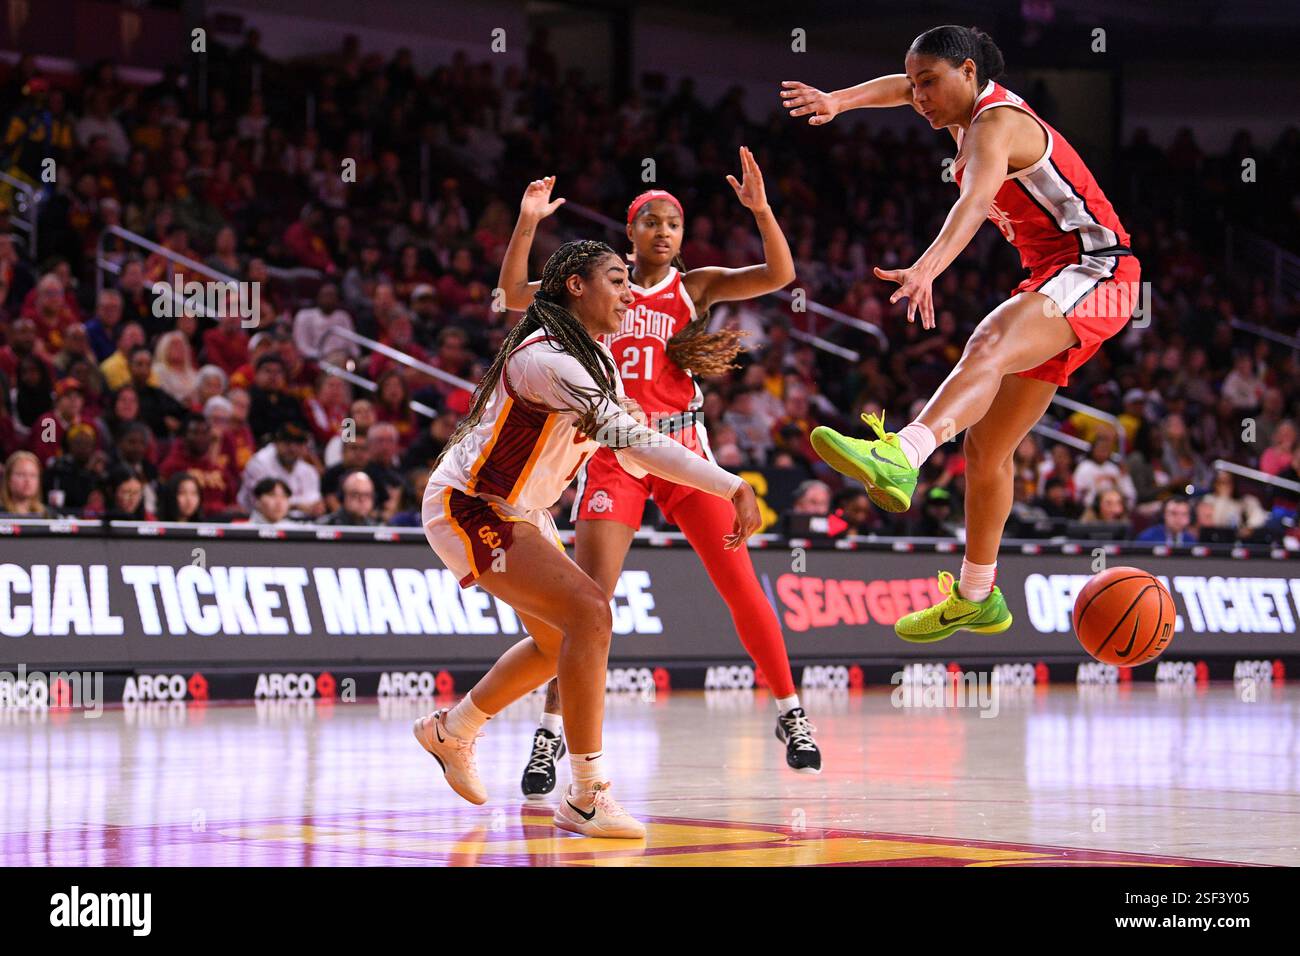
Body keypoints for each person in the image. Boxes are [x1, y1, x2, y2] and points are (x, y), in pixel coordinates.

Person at [784, 25, 1140, 642]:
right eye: (916, 82)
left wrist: (925, 268)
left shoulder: (994, 124)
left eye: (930, 82)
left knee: (988, 344)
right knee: (986, 452)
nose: (918, 96)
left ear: (969, 72)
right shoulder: (951, 106)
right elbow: (897, 86)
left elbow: (974, 201)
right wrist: (839, 100)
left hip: (1098, 268)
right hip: (1055, 272)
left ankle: (904, 452)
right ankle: (977, 596)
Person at [415, 240, 759, 839]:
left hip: (524, 510)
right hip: (470, 503)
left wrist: (671, 461)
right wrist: (730, 484)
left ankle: (454, 729)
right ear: (576, 286)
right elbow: (631, 442)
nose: (630, 293)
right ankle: (585, 794)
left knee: (557, 644)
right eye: (618, 280)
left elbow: (631, 449)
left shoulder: (597, 358)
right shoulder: (549, 360)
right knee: (590, 613)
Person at [498, 159, 822, 794]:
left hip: (682, 454)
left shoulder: (694, 288)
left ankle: (791, 712)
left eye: (674, 222)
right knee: (584, 603)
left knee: (741, 589)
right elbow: (511, 294)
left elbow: (782, 275)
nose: (665, 231)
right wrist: (527, 222)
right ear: (631, 230)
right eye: (652, 221)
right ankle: (549, 735)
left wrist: (760, 210)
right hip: (615, 459)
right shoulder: (598, 290)